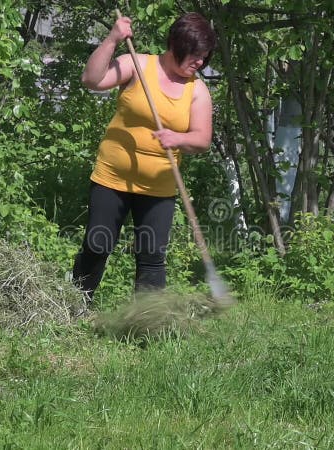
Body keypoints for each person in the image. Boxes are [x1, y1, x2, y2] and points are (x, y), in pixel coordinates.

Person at [72, 12, 216, 305]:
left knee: (151, 255)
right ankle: (74, 306)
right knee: (97, 245)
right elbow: (91, 79)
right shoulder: (137, 64)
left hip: (159, 188)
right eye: (195, 55)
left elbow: (202, 140)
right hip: (112, 177)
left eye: (204, 57)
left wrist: (179, 139)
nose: (200, 63)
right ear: (176, 45)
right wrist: (113, 39)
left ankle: (146, 323)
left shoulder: (197, 90)